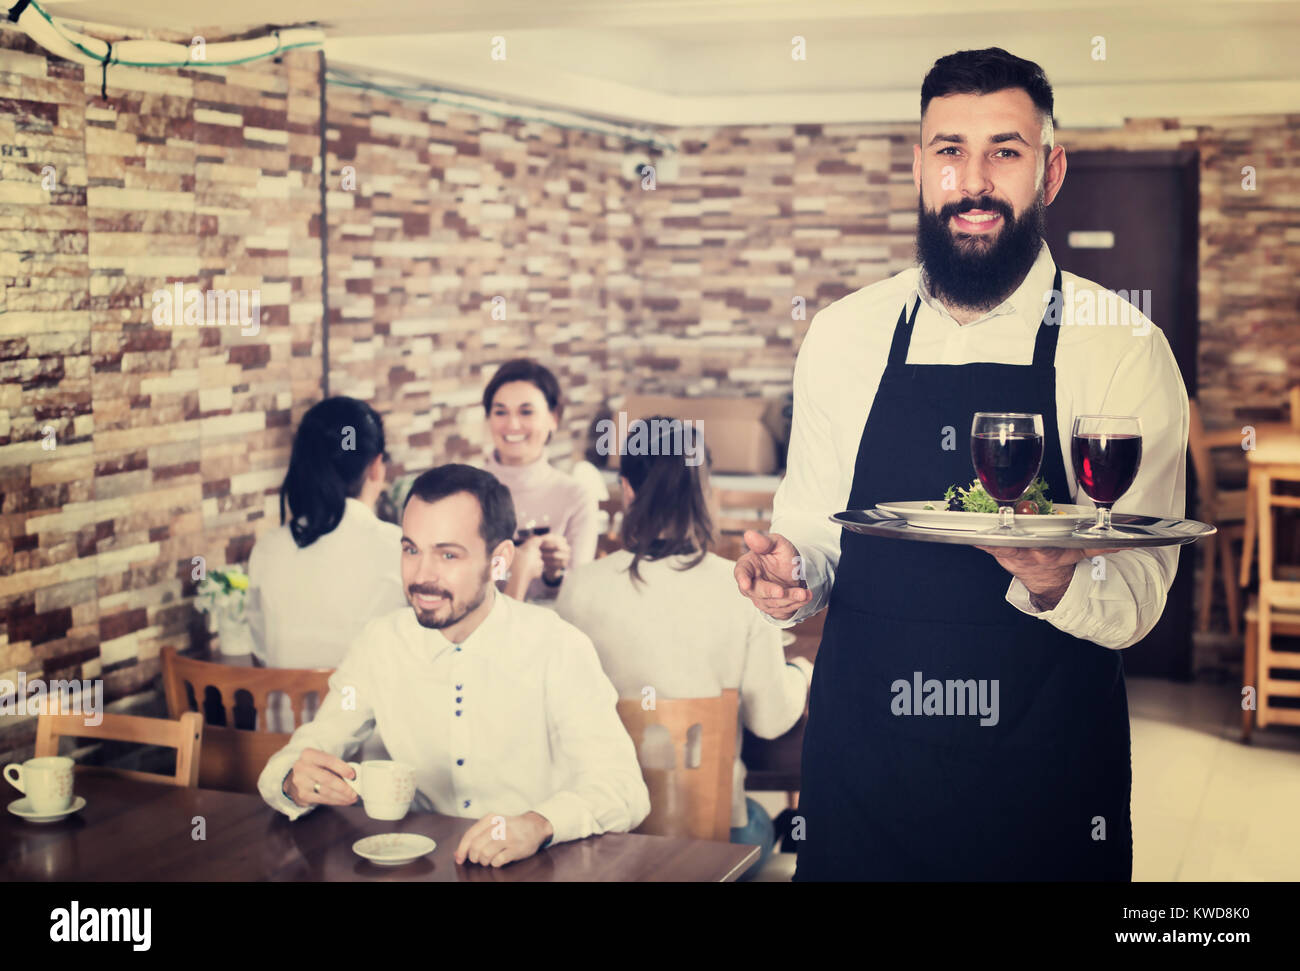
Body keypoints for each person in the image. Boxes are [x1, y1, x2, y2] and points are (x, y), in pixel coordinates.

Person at [734, 47, 1189, 881]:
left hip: (1043, 776)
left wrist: (1055, 580)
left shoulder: (1123, 347)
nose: (973, 181)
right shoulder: (843, 334)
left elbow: (1139, 599)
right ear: (918, 167)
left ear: (1050, 172)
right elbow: (814, 529)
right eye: (950, 151)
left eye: (1004, 152)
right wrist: (793, 571)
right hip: (865, 764)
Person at [256, 464, 650, 866]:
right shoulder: (381, 643)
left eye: (448, 554)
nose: (422, 575)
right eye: (411, 549)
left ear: (499, 561)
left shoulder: (558, 647)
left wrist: (538, 824)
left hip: (537, 870)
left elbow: (623, 790)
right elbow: (309, 747)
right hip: (424, 867)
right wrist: (293, 782)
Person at [555, 417, 811, 879]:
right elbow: (772, 722)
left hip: (605, 839)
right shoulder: (739, 588)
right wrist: (802, 674)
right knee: (767, 825)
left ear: (628, 490)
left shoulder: (579, 588)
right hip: (713, 845)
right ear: (705, 490)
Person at [246, 397, 406, 739]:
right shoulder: (402, 549)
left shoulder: (267, 549)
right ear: (376, 467)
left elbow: (260, 654)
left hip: (281, 751)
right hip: (371, 759)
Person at [478, 358, 599, 602]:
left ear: (553, 417)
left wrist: (553, 576)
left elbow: (578, 601)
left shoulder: (576, 497)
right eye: (500, 411)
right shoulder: (467, 492)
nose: (512, 425)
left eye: (526, 412)